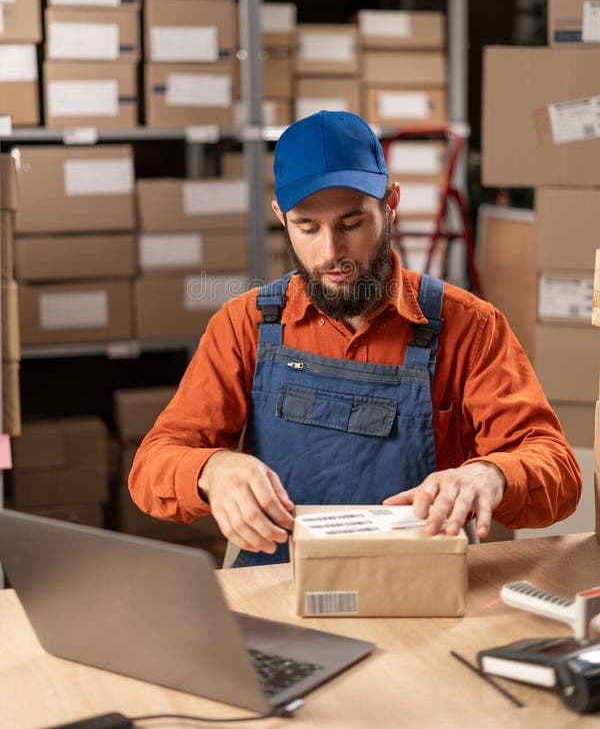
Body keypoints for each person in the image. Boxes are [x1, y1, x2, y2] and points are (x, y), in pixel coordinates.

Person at [128, 110, 582, 567]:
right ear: (281, 218)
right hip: (277, 591)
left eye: (351, 224)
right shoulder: (244, 324)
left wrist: (491, 473)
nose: (331, 253)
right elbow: (152, 467)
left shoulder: (470, 327)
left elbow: (559, 476)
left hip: (420, 590)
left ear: (390, 204)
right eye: (307, 228)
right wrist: (213, 468)